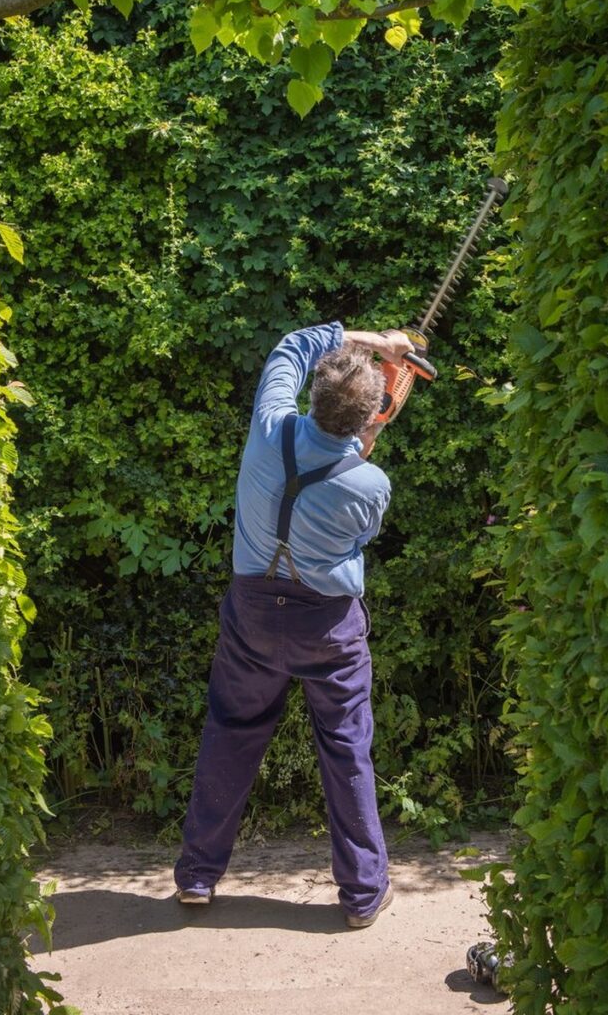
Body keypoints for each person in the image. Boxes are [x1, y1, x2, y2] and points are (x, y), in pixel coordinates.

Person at [174, 321, 413, 928]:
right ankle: (362, 894)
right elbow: (354, 538)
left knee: (231, 731)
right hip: (327, 627)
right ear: (370, 415)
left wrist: (374, 342)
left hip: (252, 615)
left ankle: (198, 876)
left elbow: (291, 345)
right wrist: (369, 438)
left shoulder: (268, 427)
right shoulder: (370, 484)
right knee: (346, 747)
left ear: (314, 395)